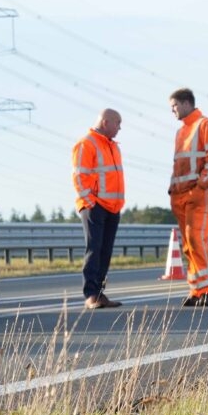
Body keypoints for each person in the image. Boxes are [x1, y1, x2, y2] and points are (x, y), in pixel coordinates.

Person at [167, 88, 208, 307]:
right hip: (180, 195)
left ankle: (206, 290)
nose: (172, 110)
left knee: (196, 240)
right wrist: (172, 189)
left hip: (198, 193)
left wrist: (202, 185)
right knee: (188, 245)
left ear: (186, 103)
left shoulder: (205, 125)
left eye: (174, 106)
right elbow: (178, 164)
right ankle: (196, 290)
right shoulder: (181, 132)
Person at [73, 109, 125, 310]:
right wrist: (90, 201)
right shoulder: (87, 143)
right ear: (105, 122)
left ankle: (100, 292)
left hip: (112, 207)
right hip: (95, 206)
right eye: (117, 123)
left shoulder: (112, 146)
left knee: (105, 251)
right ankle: (91, 295)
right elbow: (79, 176)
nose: (119, 128)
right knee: (94, 250)